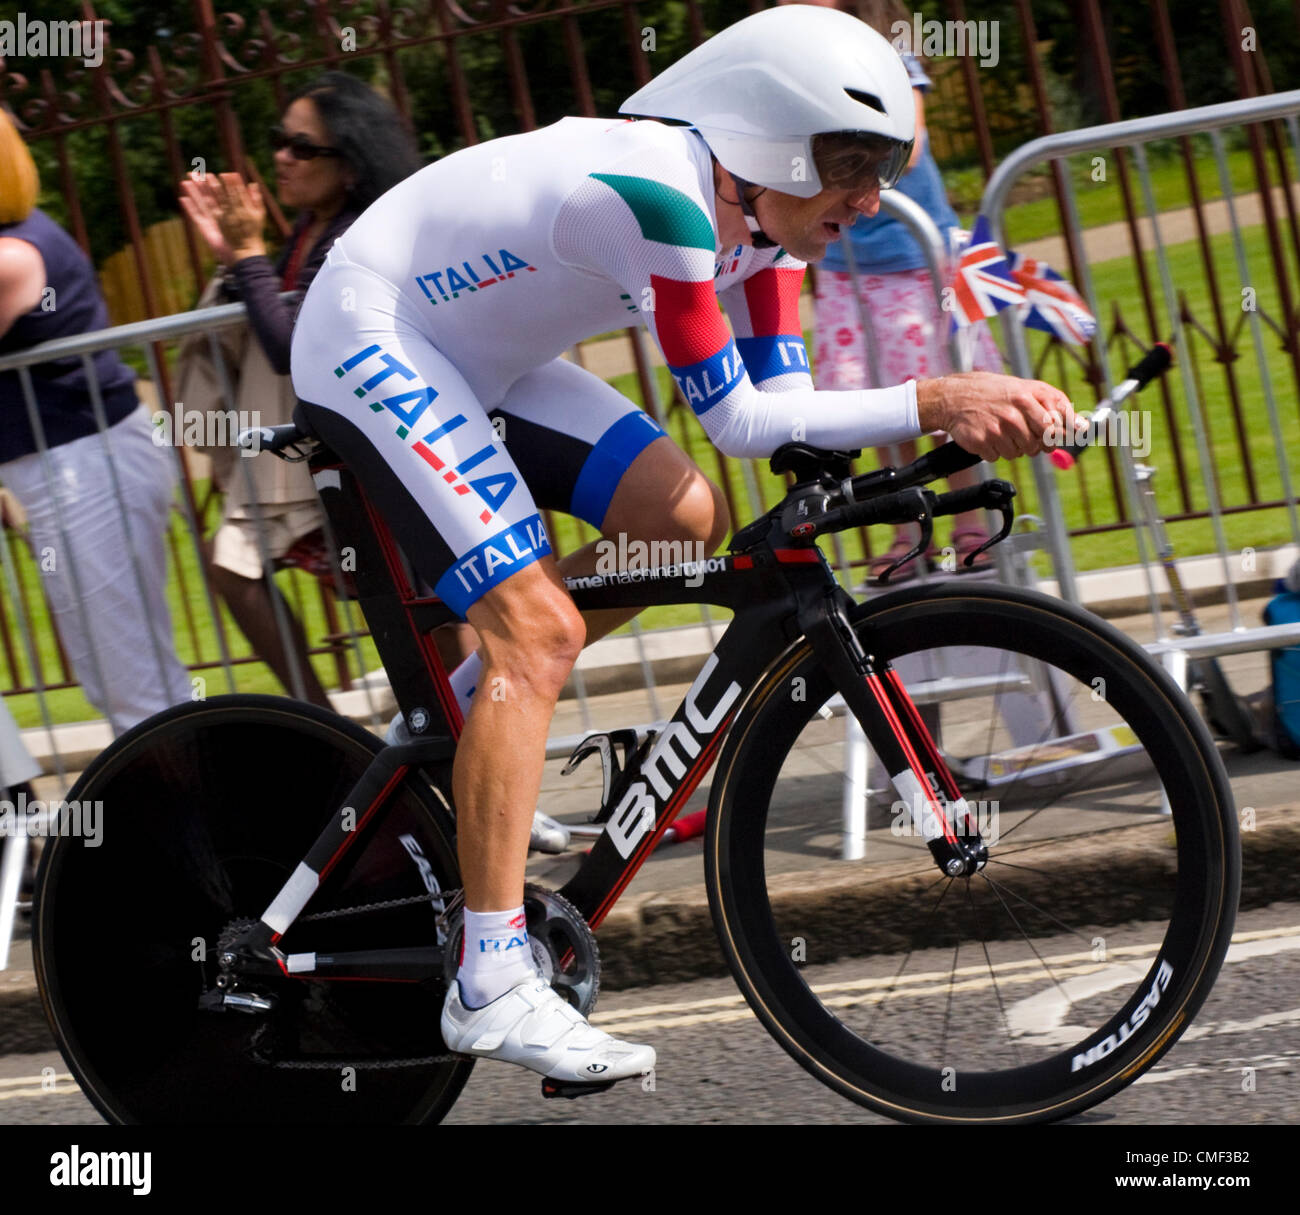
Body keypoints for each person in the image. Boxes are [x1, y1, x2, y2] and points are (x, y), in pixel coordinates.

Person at [289, 4, 1074, 1091]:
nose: (871, 198)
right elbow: (744, 422)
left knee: (682, 520)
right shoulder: (660, 196)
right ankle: (489, 979)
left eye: (883, 168)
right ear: (768, 144)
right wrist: (938, 394)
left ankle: (472, 704)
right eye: (851, 165)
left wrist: (909, 429)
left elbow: (786, 404)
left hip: (484, 361)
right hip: (373, 333)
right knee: (542, 634)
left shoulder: (772, 229)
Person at [179, 72, 422, 709]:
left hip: (378, 457)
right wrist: (240, 260)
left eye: (303, 147)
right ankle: (327, 728)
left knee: (416, 614)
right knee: (240, 569)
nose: (282, 157)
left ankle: (464, 744)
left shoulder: (354, 233)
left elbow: (291, 344)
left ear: (351, 164)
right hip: (320, 458)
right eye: (278, 141)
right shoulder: (310, 228)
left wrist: (247, 253)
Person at [0, 107, 193, 735]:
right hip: (71, 467)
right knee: (116, 677)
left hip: (88, 467)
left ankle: (215, 824)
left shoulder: (14, 254)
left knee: (132, 680)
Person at [809, 0, 1006, 581]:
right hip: (847, 266)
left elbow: (908, 144)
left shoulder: (889, 59)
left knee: (944, 392)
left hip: (914, 263)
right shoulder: (796, 66)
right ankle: (905, 533)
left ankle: (970, 519)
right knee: (876, 397)